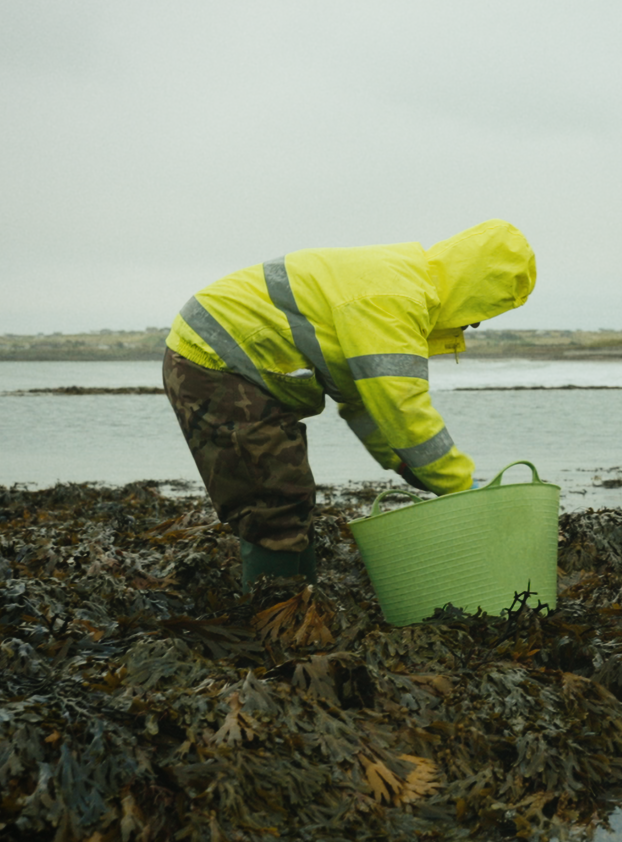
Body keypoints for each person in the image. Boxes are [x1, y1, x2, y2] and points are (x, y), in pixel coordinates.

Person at [161, 218, 536, 590]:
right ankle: (274, 625)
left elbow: (362, 402)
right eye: (485, 309)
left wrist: (403, 464)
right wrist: (463, 489)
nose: (476, 325)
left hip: (237, 362)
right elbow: (402, 406)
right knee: (272, 504)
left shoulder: (400, 281)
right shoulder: (394, 299)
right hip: (216, 359)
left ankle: (297, 606)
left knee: (289, 496)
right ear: (473, 287)